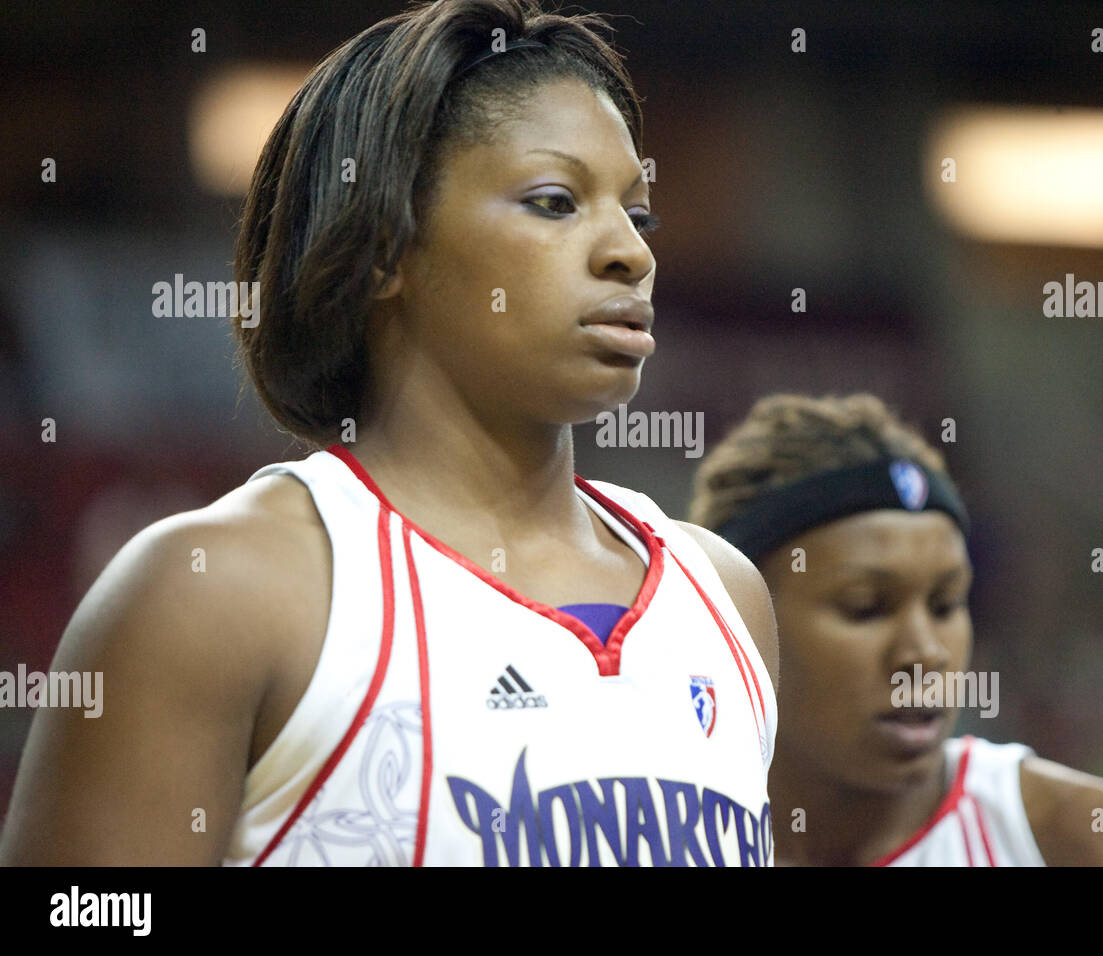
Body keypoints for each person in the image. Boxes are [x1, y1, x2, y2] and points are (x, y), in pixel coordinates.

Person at [0, 0, 777, 867]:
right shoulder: (217, 592)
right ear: (383, 250)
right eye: (555, 202)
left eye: (639, 213)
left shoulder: (725, 597)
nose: (630, 252)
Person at [689, 392, 1103, 866]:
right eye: (866, 607)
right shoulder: (654, 835)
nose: (925, 652)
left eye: (945, 604)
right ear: (741, 623)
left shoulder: (1102, 845)